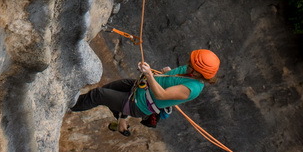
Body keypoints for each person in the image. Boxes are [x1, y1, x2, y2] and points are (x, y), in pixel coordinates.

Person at [70, 48, 220, 136]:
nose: (188, 63)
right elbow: (172, 78)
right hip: (140, 88)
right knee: (107, 91)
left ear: (197, 72)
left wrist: (149, 74)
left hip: (139, 104)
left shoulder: (191, 89)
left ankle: (68, 104)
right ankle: (122, 117)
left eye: (191, 63)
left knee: (98, 95)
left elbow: (161, 95)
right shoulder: (188, 71)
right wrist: (166, 74)